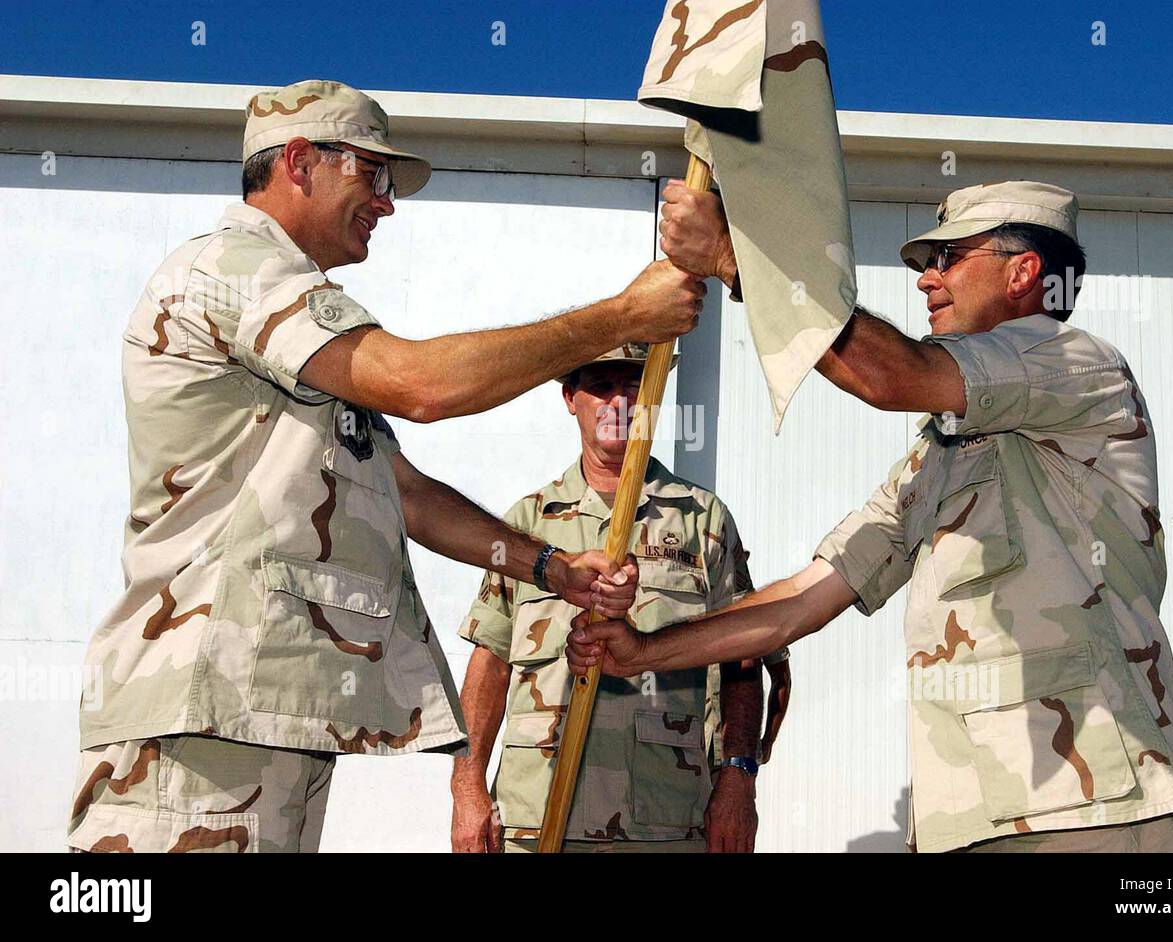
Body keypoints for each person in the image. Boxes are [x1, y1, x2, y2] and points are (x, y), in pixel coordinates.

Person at [68, 79, 704, 853]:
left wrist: (550, 567)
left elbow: (405, 494)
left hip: (257, 716)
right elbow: (421, 387)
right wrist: (616, 318)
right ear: (299, 161)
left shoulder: (301, 328)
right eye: (372, 174)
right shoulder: (236, 270)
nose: (387, 202)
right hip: (200, 711)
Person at [568, 179, 1173, 853]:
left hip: (1092, 813)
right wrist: (644, 649)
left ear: (1025, 272)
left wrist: (735, 257)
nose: (927, 281)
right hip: (976, 819)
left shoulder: (1076, 364)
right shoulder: (942, 450)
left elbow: (889, 375)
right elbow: (802, 600)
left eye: (949, 257)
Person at [451, 345, 773, 853]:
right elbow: (489, 660)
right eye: (601, 387)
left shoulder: (702, 521)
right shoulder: (526, 526)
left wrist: (738, 778)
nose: (619, 402)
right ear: (569, 399)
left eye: (633, 387)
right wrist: (466, 790)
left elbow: (744, 656)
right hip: (536, 819)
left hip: (663, 822)